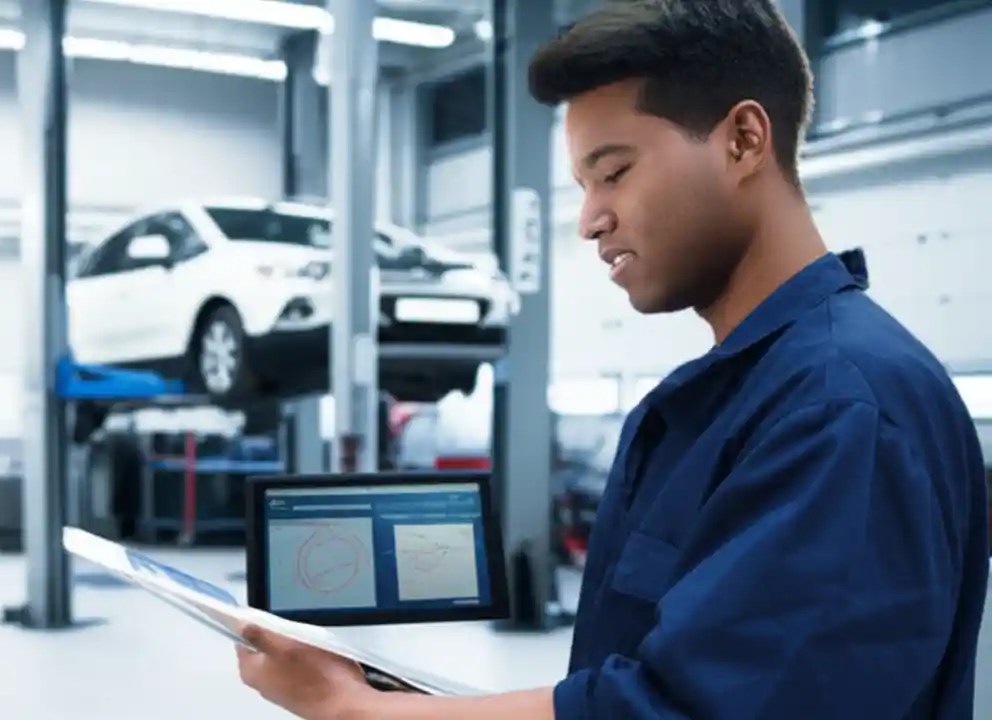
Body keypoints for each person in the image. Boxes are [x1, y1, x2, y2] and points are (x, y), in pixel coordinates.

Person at [234, 1, 990, 717]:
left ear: (743, 141)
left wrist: (353, 708)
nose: (591, 219)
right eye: (584, 184)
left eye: (615, 171)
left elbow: (683, 712)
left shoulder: (839, 407)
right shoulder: (740, 395)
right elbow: (641, 677)